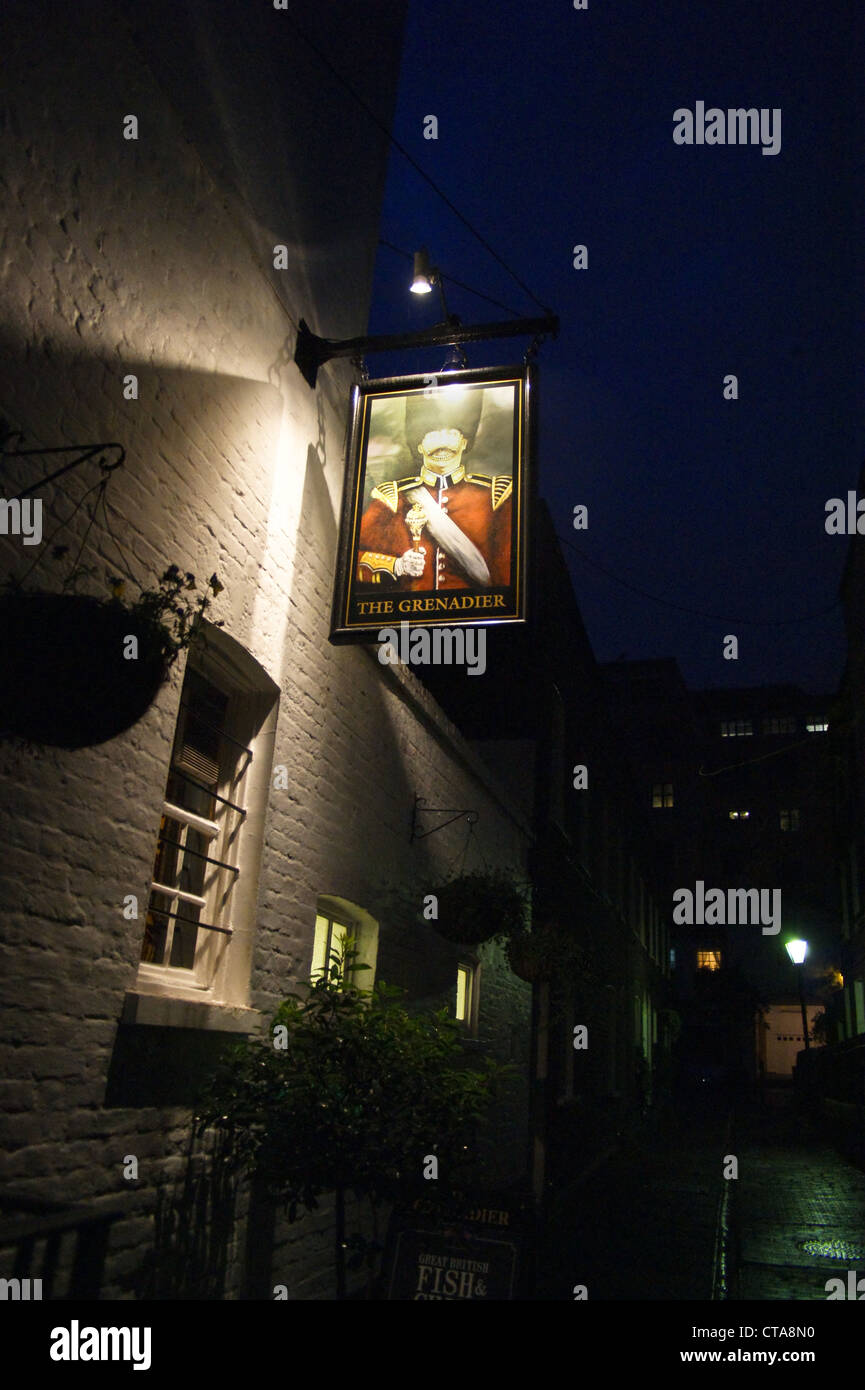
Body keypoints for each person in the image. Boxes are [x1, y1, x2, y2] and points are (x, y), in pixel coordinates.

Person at [356, 389, 512, 591]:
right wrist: (397, 565)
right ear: (419, 446)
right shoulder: (393, 498)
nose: (442, 444)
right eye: (431, 435)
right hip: (408, 618)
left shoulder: (494, 496)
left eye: (451, 434)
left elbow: (508, 573)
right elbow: (353, 561)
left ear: (465, 442)